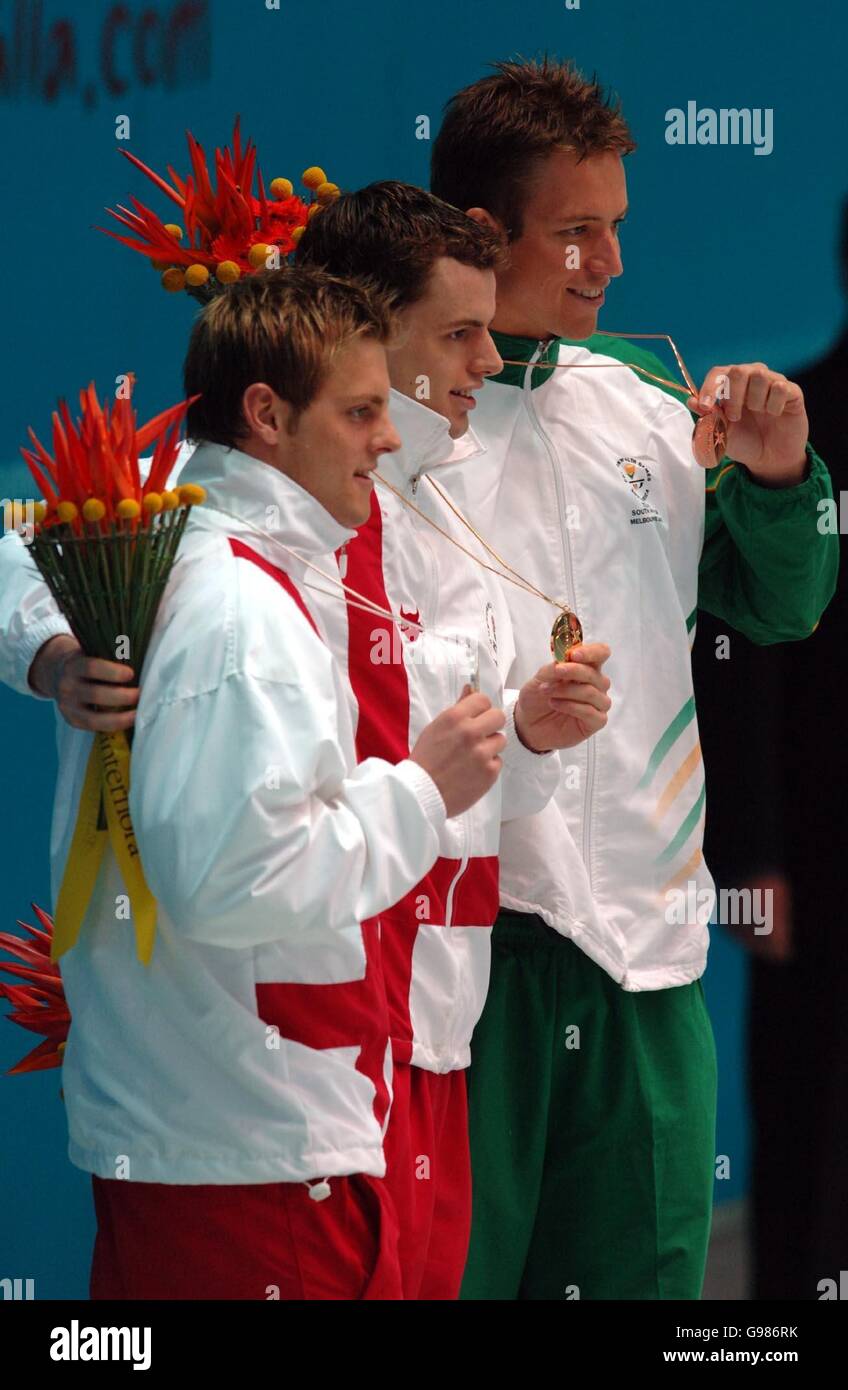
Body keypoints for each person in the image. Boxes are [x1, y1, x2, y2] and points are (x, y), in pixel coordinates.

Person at [0, 267, 511, 1300]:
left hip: (202, 1125)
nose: (384, 436)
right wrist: (421, 788)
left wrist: (48, 658)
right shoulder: (241, 607)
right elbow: (237, 876)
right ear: (267, 415)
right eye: (361, 410)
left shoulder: (162, 547)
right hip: (261, 1158)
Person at [428, 57, 839, 1300]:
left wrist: (778, 481)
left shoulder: (652, 408)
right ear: (485, 233)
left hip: (646, 972)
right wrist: (65, 653)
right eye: (576, 232)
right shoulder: (386, 423)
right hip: (468, 960)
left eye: (616, 227)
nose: (609, 262)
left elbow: (785, 601)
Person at [294, 180, 611, 1298]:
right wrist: (58, 653)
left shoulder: (448, 512)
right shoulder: (291, 499)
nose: (487, 361)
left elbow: (468, 792)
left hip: (439, 1026)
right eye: (459, 334)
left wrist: (525, 737)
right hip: (328, 1038)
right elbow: (60, 548)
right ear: (366, 336)